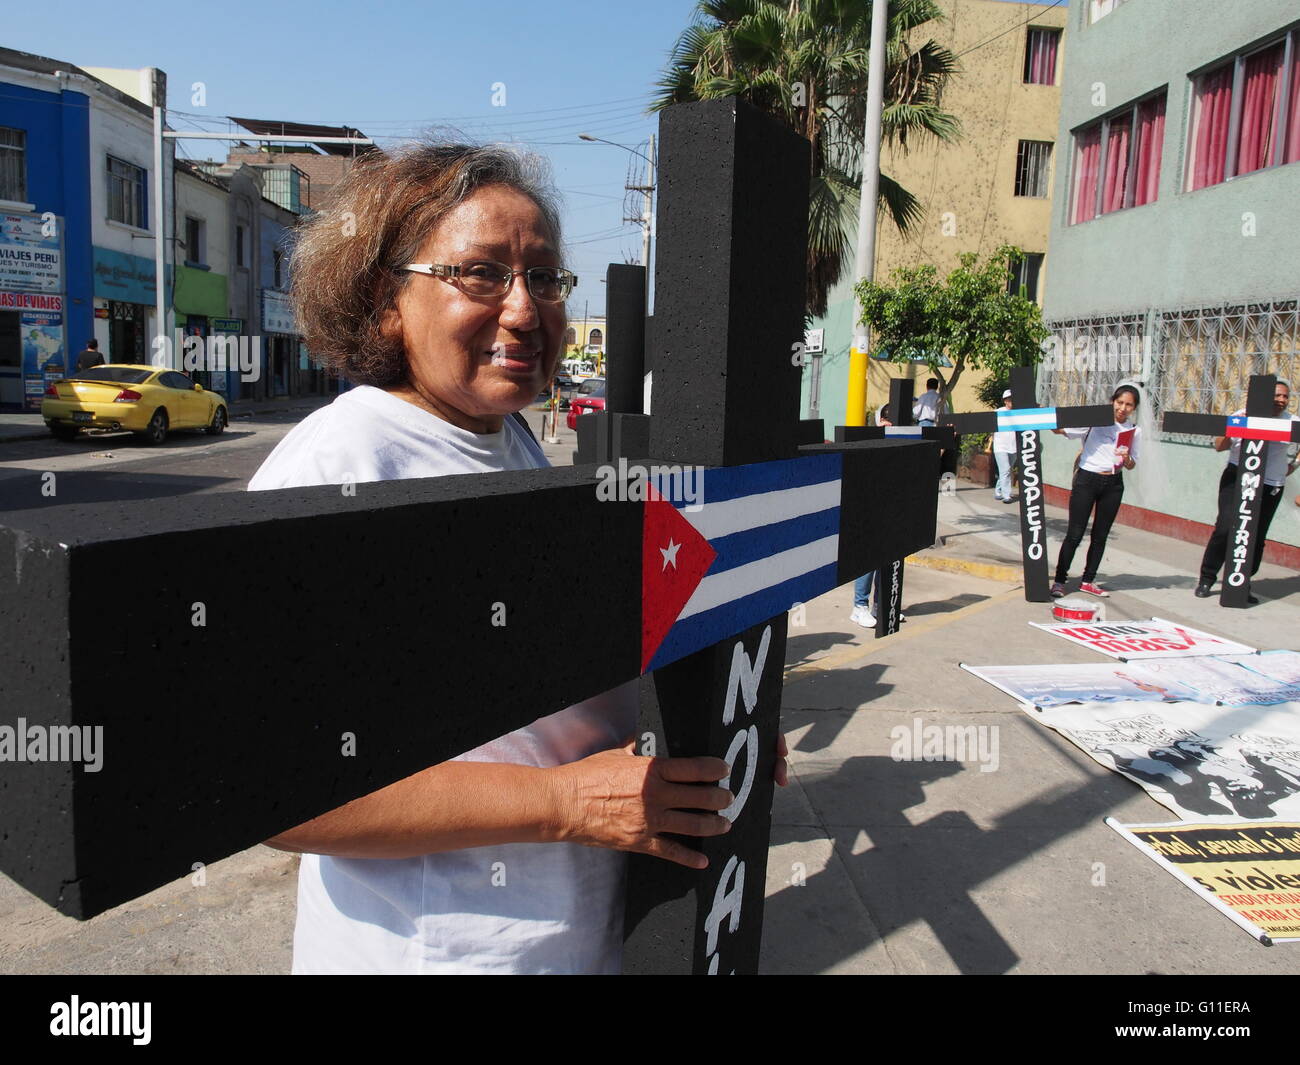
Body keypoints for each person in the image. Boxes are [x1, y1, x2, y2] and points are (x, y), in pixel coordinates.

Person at [247, 140, 788, 974]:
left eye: (543, 277)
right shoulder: (344, 462)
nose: (525, 309)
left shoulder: (511, 443)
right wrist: (563, 803)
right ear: (389, 299)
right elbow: (269, 787)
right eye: (481, 274)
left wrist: (713, 722)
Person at [1194, 379, 1297, 601]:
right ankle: (1207, 578)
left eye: (1285, 397)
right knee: (1224, 528)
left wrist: (1294, 465)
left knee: (1256, 536)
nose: (1281, 400)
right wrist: (1234, 428)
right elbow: (1219, 446)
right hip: (1237, 479)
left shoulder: (1291, 422)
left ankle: (1241, 583)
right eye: (1277, 395)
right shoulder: (1242, 415)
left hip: (1271, 484)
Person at [1050, 384, 1141, 598]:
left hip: (1113, 484)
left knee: (1100, 536)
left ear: (1134, 408)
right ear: (1112, 401)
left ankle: (1088, 580)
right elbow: (1060, 430)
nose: (1123, 408)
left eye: (1129, 405)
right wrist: (1052, 416)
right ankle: (1059, 581)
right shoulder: (1094, 420)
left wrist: (1127, 459)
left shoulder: (1133, 430)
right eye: (1120, 403)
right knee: (1075, 534)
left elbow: (1132, 463)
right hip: (1087, 480)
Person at [992, 389, 1017, 503]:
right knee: (1005, 469)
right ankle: (1007, 495)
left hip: (1014, 446)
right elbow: (990, 427)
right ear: (1005, 401)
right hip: (1000, 446)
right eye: (1009, 399)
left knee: (1006, 470)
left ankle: (998, 491)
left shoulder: (1018, 412)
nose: (1011, 401)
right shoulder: (998, 412)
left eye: (1013, 399)